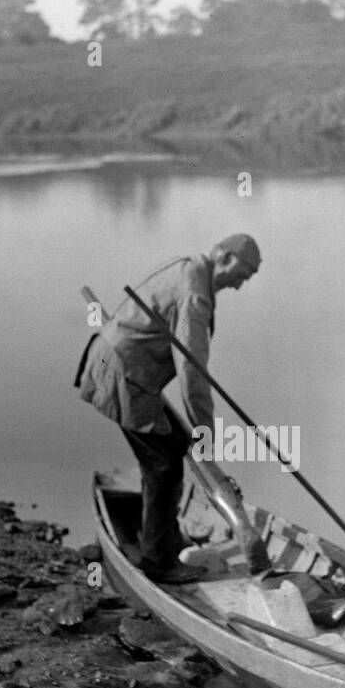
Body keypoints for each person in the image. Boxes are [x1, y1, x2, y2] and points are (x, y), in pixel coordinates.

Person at [76, 234, 261, 584]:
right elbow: (192, 372)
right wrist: (205, 432)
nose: (239, 286)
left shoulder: (187, 266)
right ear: (225, 258)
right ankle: (159, 562)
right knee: (163, 465)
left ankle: (167, 536)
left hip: (125, 370)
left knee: (173, 447)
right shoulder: (195, 295)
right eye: (243, 274)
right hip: (123, 378)